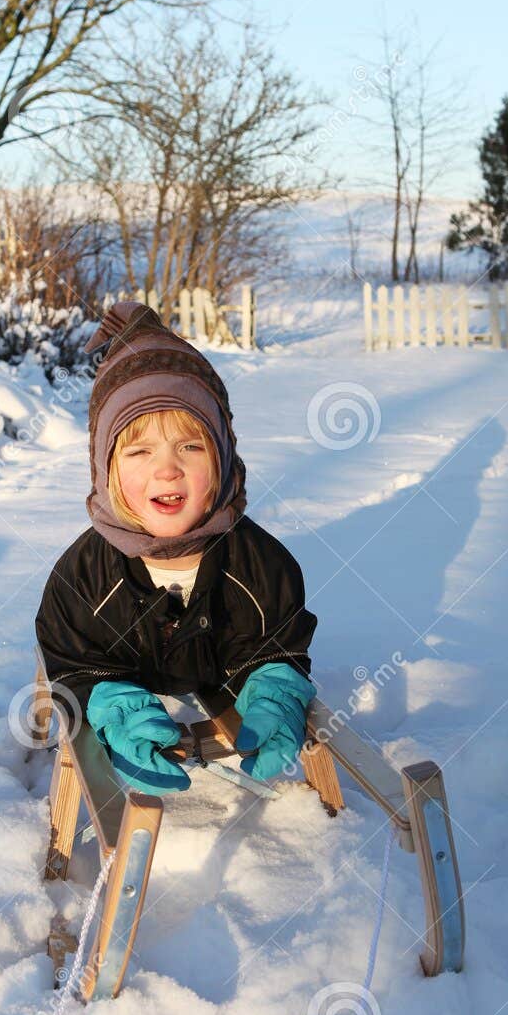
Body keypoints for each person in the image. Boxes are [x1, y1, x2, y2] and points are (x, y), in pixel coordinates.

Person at [34, 299, 318, 794]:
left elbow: (275, 643)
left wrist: (272, 684)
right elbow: (73, 661)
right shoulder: (82, 580)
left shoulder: (263, 569)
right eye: (139, 451)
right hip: (128, 673)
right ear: (105, 469)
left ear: (225, 458)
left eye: (190, 446)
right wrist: (108, 700)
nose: (167, 469)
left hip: (212, 667)